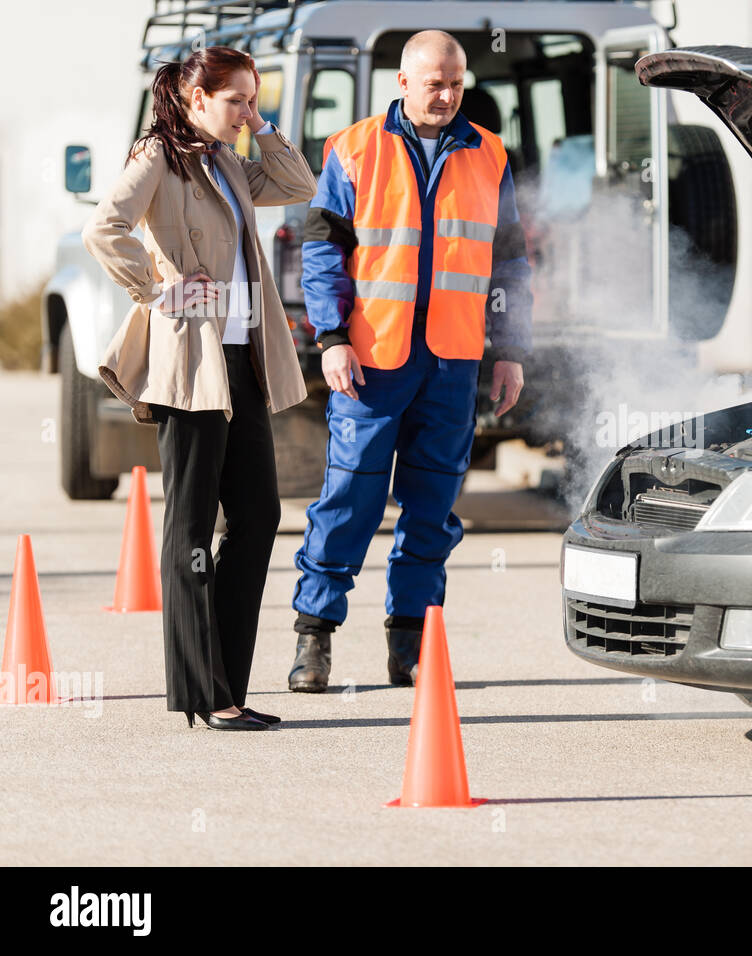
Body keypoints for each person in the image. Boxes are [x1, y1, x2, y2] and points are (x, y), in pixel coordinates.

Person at [287, 29, 532, 691]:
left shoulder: (489, 154)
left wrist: (508, 350)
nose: (447, 95)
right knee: (349, 499)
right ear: (402, 82)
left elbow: (509, 261)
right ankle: (314, 638)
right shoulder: (354, 149)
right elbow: (322, 252)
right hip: (373, 361)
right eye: (434, 83)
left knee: (432, 508)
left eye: (456, 83)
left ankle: (411, 646)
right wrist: (331, 337)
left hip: (453, 363)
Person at [82, 46, 318, 730]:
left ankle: (226, 686)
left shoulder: (228, 164)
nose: (248, 112)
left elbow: (298, 183)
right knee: (189, 526)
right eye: (237, 100)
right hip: (190, 365)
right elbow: (105, 227)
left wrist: (264, 127)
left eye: (253, 99)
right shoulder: (160, 155)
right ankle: (202, 693)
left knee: (259, 515)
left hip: (243, 363)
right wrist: (159, 288)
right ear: (194, 99)